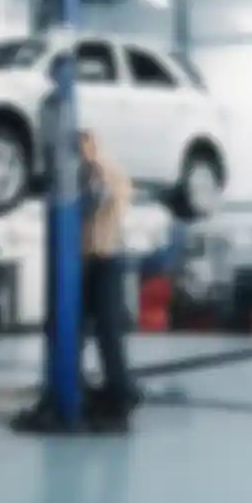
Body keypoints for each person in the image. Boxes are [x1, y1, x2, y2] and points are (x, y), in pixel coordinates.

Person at [76, 129, 142, 428]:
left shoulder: (105, 172)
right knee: (71, 329)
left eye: (82, 145)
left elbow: (103, 201)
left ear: (92, 144)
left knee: (108, 330)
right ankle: (84, 389)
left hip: (106, 258)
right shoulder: (84, 172)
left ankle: (120, 397)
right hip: (84, 261)